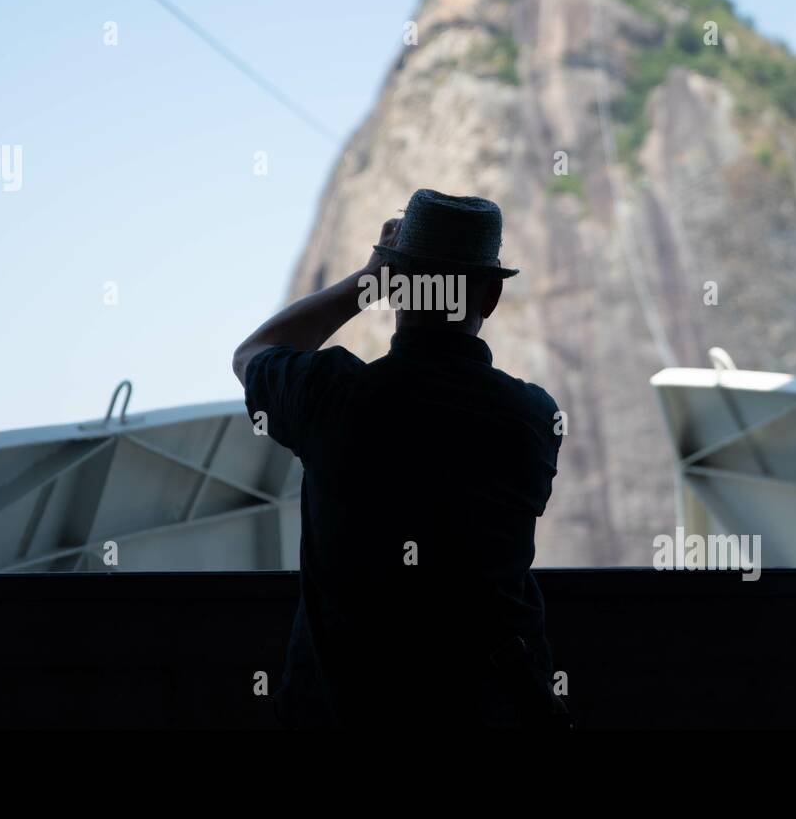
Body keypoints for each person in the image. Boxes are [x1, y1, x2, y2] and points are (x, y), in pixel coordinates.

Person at [232, 189, 568, 728]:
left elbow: (252, 354)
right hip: (491, 713)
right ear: (489, 299)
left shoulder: (331, 397)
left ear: (395, 290)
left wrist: (368, 280)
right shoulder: (531, 417)